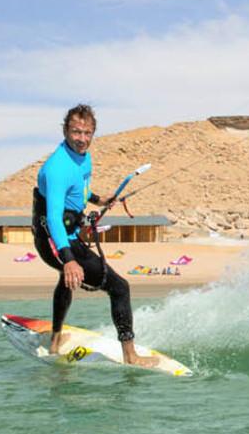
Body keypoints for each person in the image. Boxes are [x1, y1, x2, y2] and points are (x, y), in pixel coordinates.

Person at [32, 104, 158, 366]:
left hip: (67, 234)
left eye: (87, 132)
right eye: (76, 132)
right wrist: (68, 259)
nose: (82, 138)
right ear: (65, 130)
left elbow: (79, 188)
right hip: (54, 239)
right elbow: (54, 217)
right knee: (120, 288)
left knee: (66, 281)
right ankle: (131, 356)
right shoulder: (57, 168)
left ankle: (55, 340)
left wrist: (99, 199)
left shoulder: (83, 157)